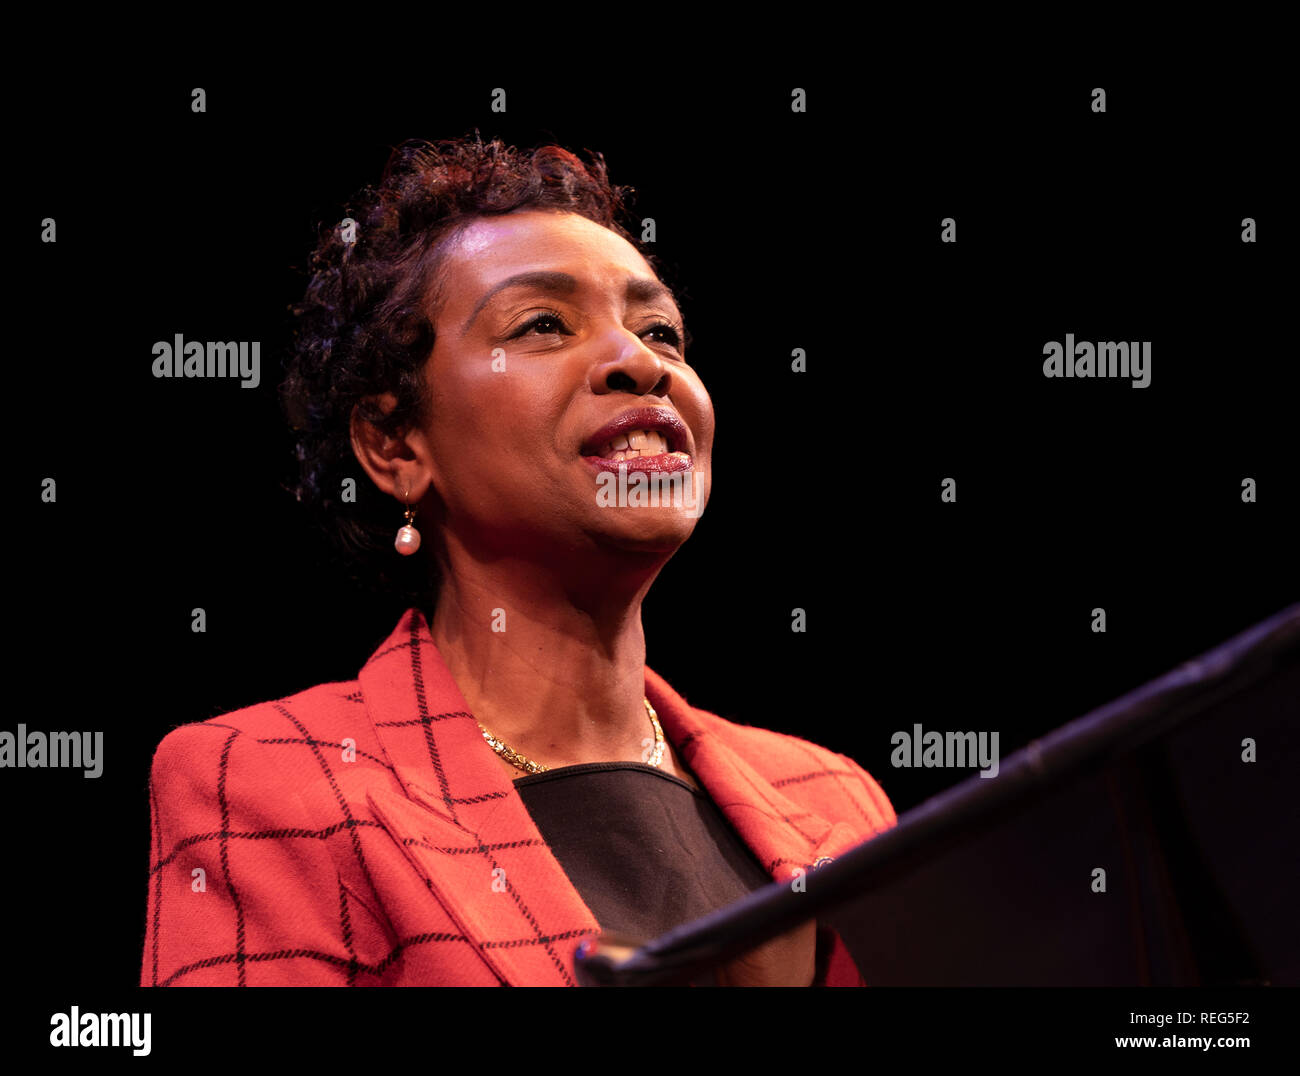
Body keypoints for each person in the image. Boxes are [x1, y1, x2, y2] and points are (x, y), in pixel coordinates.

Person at [141, 135, 897, 987]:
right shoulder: (270, 780)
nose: (640, 363)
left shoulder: (834, 797)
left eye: (661, 331)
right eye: (543, 325)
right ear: (395, 444)